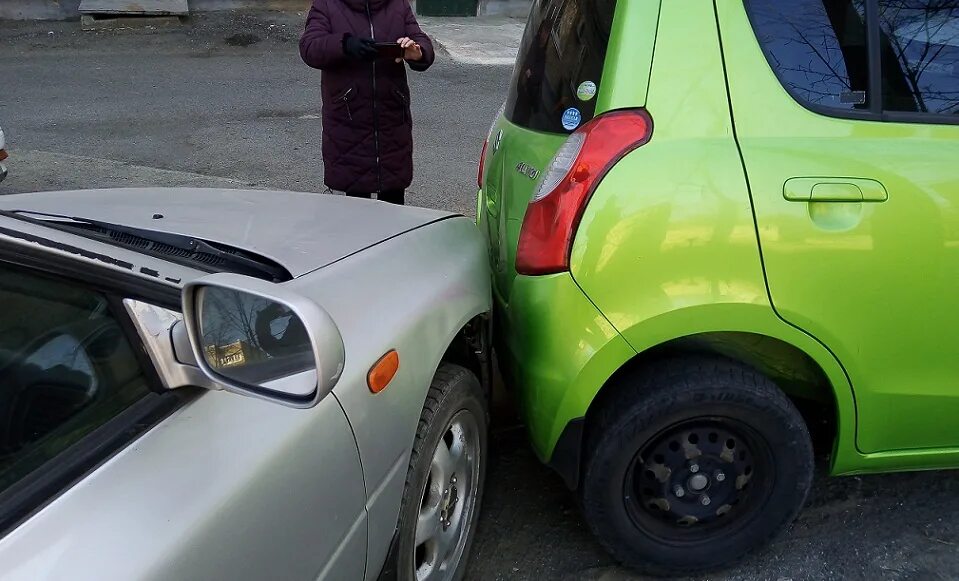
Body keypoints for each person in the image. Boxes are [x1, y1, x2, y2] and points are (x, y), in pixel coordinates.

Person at [299, 0, 435, 205]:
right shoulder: (327, 4)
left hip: (392, 118)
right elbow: (309, 47)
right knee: (356, 209)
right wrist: (344, 45)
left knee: (393, 205)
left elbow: (420, 41)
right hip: (348, 118)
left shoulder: (398, 4)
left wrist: (416, 51)